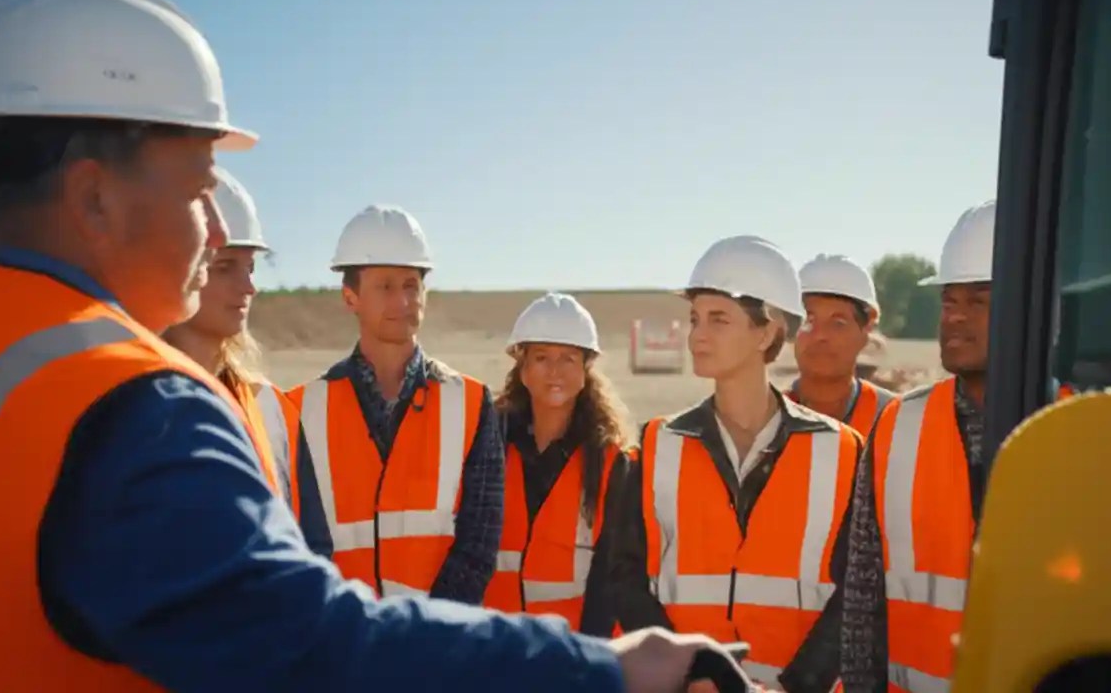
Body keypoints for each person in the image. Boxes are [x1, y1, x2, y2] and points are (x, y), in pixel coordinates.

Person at [0, 0, 730, 690]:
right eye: (199, 192)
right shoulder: (137, 409)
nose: (215, 229)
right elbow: (299, 639)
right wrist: (605, 668)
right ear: (93, 198)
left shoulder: (28, 359)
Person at [610, 235, 866, 692]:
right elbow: (625, 577)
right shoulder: (654, 444)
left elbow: (855, 592)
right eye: (694, 319)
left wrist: (795, 687)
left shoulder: (843, 450)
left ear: (766, 332)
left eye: (718, 319)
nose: (696, 335)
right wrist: (693, 676)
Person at [287, 204, 502, 604]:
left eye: (410, 285)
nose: (402, 301)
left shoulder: (472, 403)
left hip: (438, 646)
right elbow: (299, 543)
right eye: (385, 286)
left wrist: (428, 634)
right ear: (350, 297)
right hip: (343, 645)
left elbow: (480, 539)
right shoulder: (299, 410)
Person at [838, 200, 996, 693]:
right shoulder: (896, 426)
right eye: (950, 301)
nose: (955, 317)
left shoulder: (1075, 428)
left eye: (979, 301)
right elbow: (864, 600)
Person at [483, 292, 632, 637]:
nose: (554, 371)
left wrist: (587, 664)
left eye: (568, 358)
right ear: (522, 368)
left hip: (574, 659)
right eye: (541, 357)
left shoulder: (613, 462)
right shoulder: (488, 447)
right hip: (496, 655)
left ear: (585, 370)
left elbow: (609, 583)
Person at [163, 166, 301, 512]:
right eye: (224, 267)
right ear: (183, 267)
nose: (248, 287)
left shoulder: (269, 405)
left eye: (250, 267)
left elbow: (310, 537)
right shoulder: (134, 402)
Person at [786, 255, 896, 438]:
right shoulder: (761, 422)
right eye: (808, 320)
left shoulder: (896, 419)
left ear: (867, 327)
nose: (820, 335)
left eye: (838, 323)